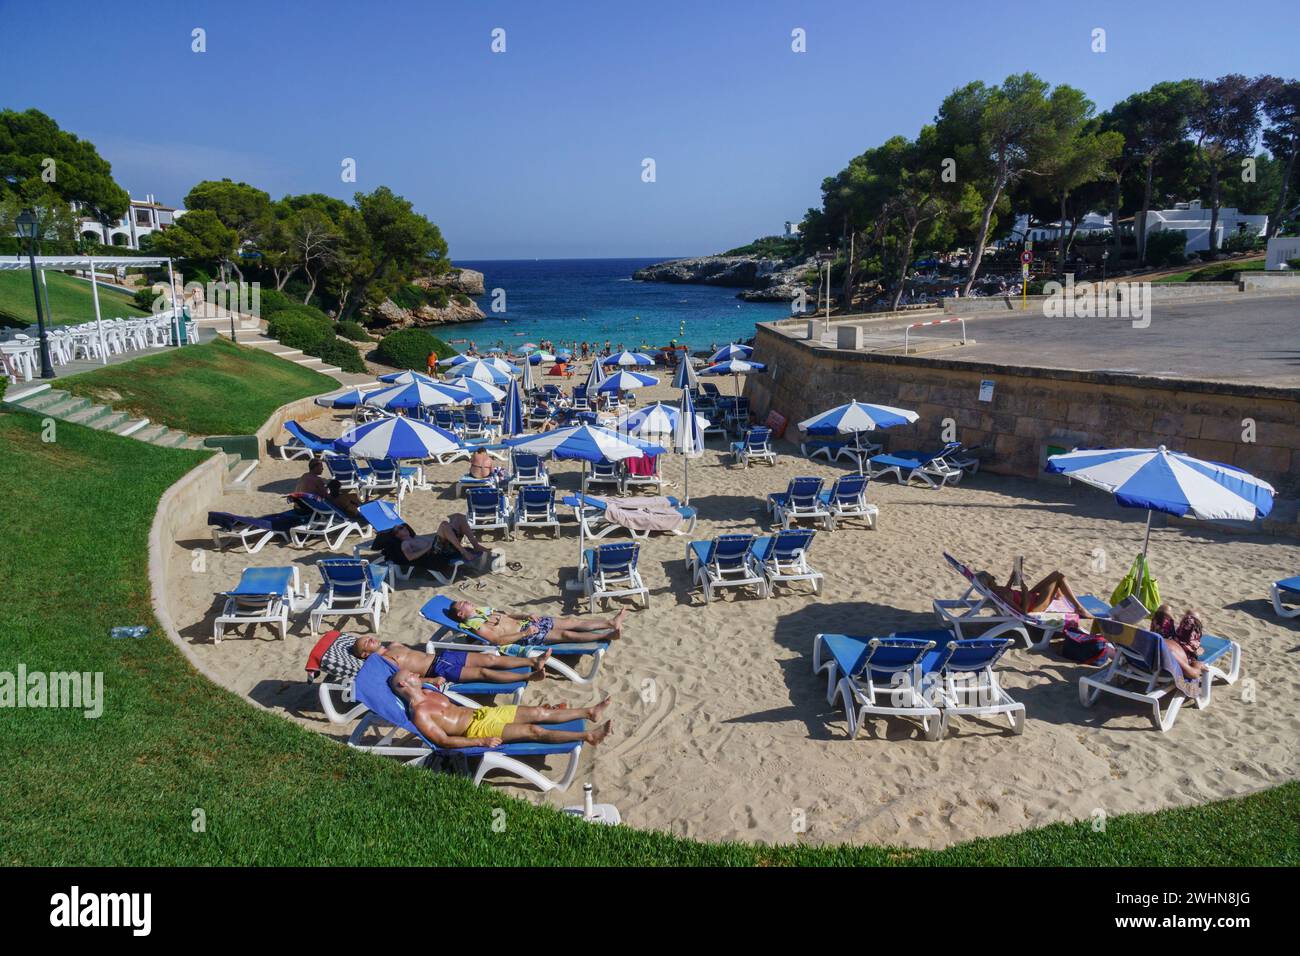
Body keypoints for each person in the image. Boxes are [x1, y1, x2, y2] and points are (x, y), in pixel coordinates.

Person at [389, 668, 612, 748]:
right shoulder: (420, 713)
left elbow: (426, 678)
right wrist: (480, 742)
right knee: (534, 730)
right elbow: (442, 741)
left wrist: (432, 679)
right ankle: (588, 736)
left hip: (484, 713)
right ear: (403, 685)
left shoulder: (428, 691)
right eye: (411, 675)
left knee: (538, 712)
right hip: (477, 730)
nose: (416, 675)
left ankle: (589, 712)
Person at [351, 634, 550, 685]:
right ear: (364, 655)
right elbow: (404, 679)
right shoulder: (386, 661)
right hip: (437, 670)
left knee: (489, 658)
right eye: (365, 643)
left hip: (442, 656)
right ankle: (529, 677)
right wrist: (430, 681)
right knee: (484, 673)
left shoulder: (393, 645)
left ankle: (533, 662)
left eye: (368, 637)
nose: (370, 639)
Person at [449, 601, 626, 646]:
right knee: (566, 635)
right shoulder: (477, 626)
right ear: (461, 613)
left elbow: (509, 614)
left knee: (570, 621)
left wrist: (526, 614)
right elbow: (497, 641)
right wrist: (525, 634)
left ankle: (610, 622)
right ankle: (608, 634)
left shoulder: (483, 611)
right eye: (462, 603)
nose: (466, 601)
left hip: (527, 622)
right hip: (526, 635)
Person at [375, 518, 496, 578]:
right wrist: (427, 548)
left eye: (402, 526)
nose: (403, 528)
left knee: (459, 518)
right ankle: (464, 551)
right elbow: (410, 557)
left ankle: (476, 545)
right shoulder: (405, 544)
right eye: (399, 529)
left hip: (440, 548)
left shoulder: (414, 537)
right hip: (435, 554)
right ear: (397, 535)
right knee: (444, 524)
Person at [974, 566, 1093, 618]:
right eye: (992, 577)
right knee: (1059, 576)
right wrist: (1024, 591)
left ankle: (1057, 593)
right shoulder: (1001, 594)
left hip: (1030, 597)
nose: (994, 578)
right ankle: (1079, 608)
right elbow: (1023, 612)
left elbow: (1007, 593)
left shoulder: (996, 591)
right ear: (989, 583)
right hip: (1035, 607)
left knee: (1054, 574)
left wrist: (1012, 579)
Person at [1151, 604, 1206, 679]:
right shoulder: (1169, 652)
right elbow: (1192, 673)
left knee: (1164, 609)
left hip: (1159, 640)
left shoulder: (1150, 643)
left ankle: (1190, 624)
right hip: (1177, 648)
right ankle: (1192, 625)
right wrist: (1198, 665)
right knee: (1191, 620)